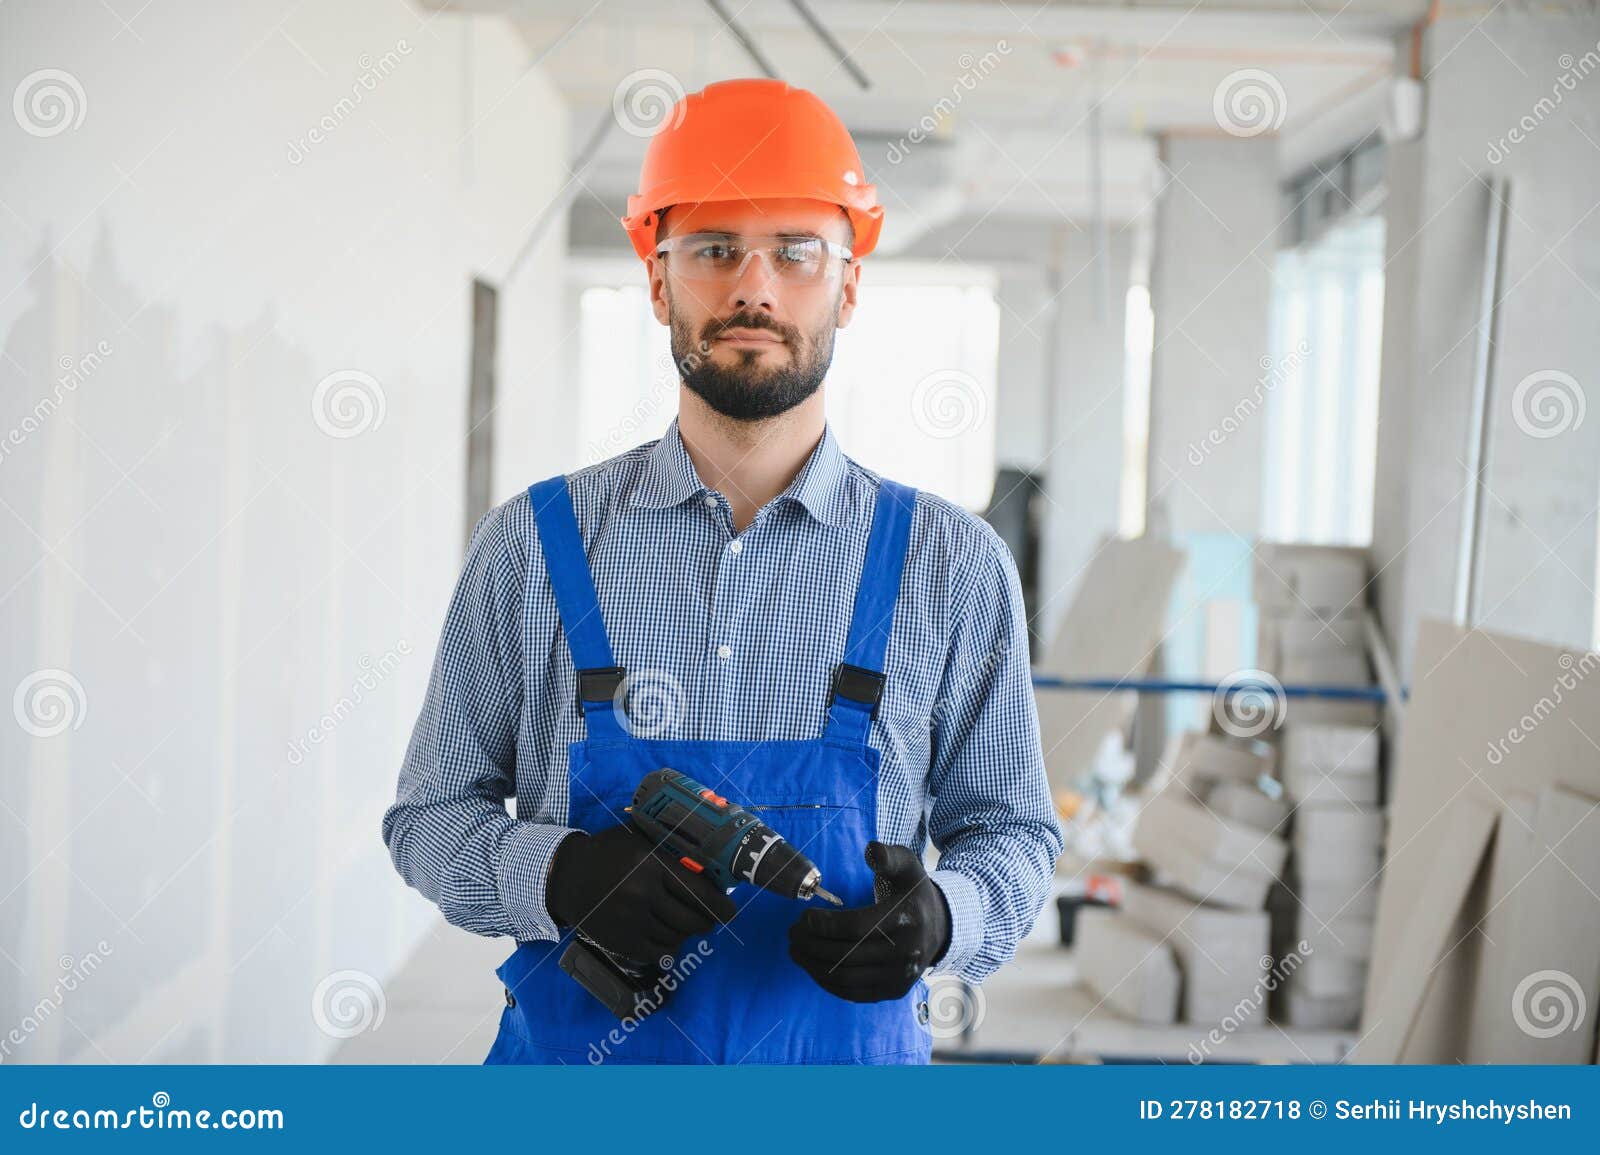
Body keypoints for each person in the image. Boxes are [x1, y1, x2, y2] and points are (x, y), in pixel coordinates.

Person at [382, 78, 1064, 1065]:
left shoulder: (950, 566)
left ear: (848, 285)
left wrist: (942, 920)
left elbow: (1010, 828)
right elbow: (428, 817)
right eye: (712, 251)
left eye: (796, 253)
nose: (754, 288)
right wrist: (561, 876)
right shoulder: (530, 547)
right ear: (658, 282)